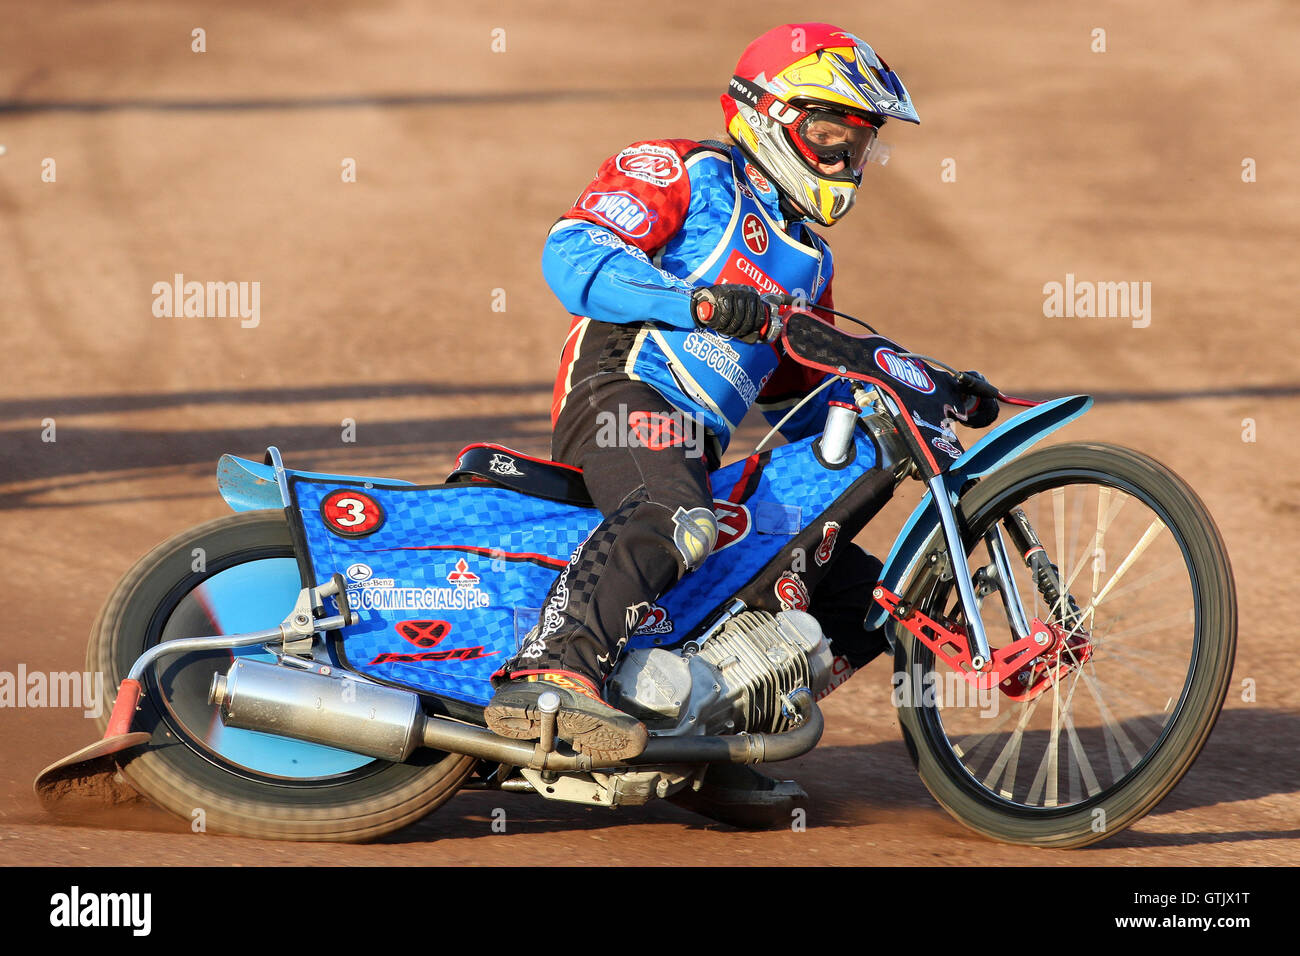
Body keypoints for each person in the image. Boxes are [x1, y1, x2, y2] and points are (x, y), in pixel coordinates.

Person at [485, 24, 952, 770]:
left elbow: (801, 391)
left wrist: (912, 386)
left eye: (857, 144)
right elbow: (571, 254)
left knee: (868, 598)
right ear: (767, 115)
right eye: (828, 133)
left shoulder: (811, 261)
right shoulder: (689, 172)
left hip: (694, 451)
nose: (843, 159)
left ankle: (714, 745)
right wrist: (696, 303)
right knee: (676, 512)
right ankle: (550, 676)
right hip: (620, 394)